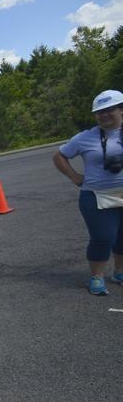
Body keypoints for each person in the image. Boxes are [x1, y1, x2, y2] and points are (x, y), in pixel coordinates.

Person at [53, 89, 123, 295]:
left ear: (121, 110)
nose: (103, 115)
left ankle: (119, 272)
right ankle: (97, 277)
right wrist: (75, 177)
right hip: (96, 196)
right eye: (99, 112)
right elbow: (59, 156)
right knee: (103, 237)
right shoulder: (85, 138)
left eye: (109, 110)